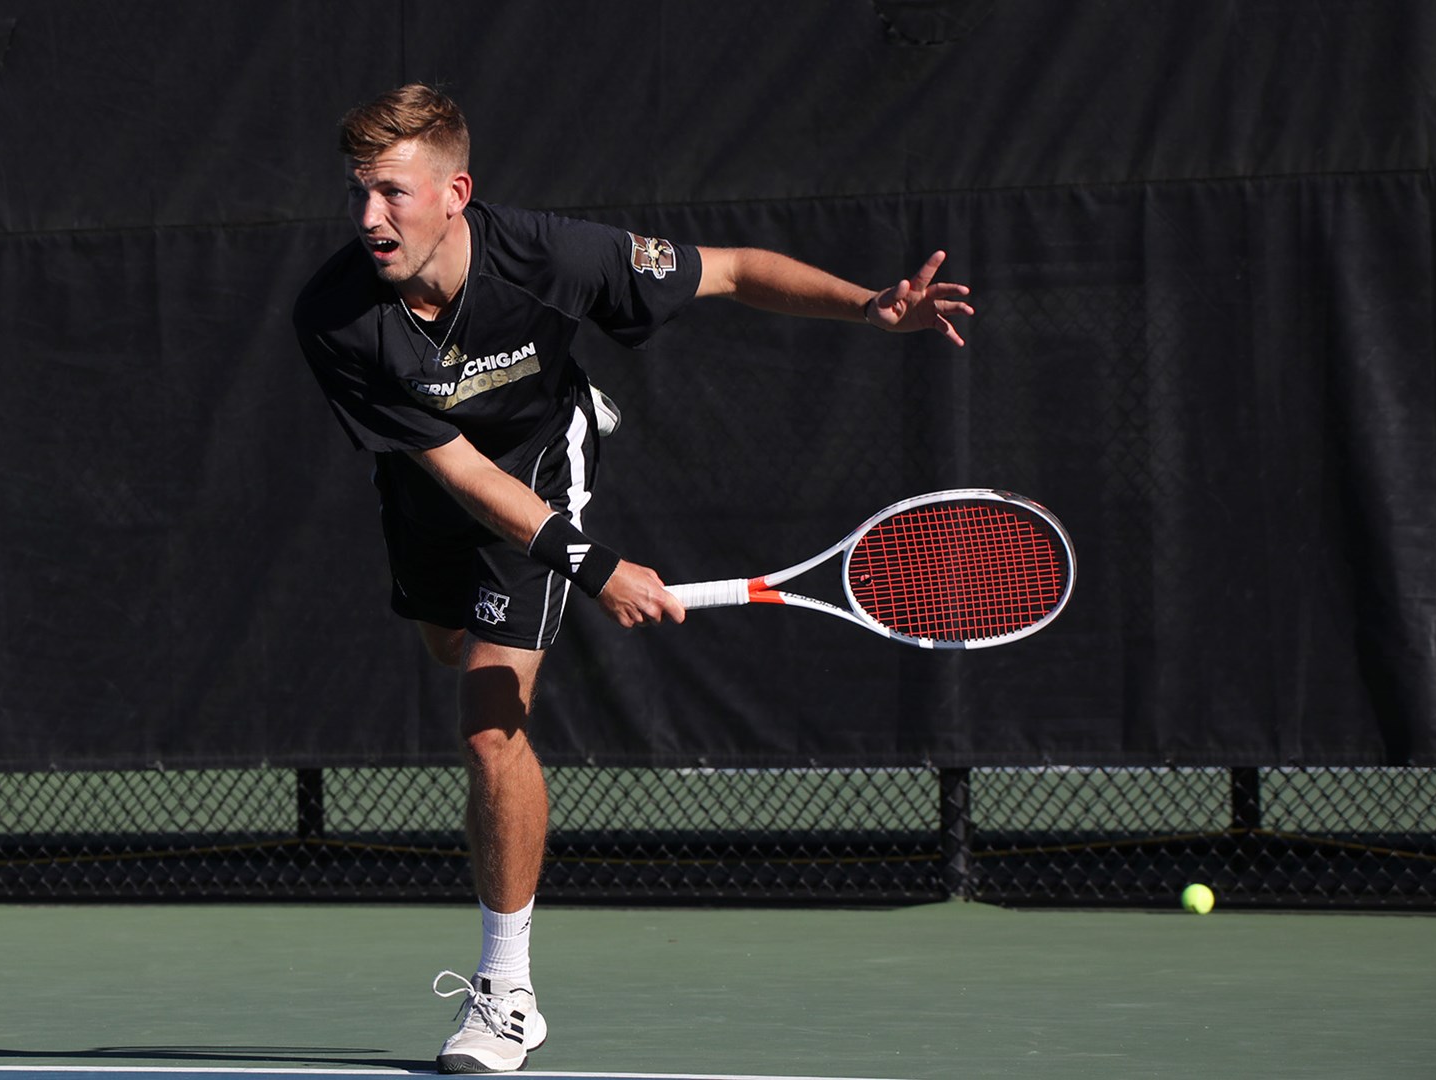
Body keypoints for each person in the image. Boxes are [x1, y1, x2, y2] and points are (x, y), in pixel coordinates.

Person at [293, 84, 971, 1074]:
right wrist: (602, 571)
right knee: (449, 646)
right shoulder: (335, 315)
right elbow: (455, 474)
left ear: (456, 192)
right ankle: (504, 631)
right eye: (358, 194)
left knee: (488, 727)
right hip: (433, 488)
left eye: (391, 193)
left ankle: (507, 992)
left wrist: (869, 308)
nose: (367, 218)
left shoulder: (552, 257)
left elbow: (734, 271)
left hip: (536, 467)